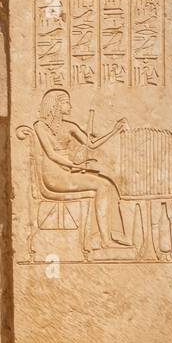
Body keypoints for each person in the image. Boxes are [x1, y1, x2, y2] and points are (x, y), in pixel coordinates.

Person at [31, 88, 130, 253]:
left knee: (107, 184)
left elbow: (91, 144)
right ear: (56, 105)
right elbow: (52, 154)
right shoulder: (40, 126)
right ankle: (105, 240)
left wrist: (114, 130)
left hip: (68, 171)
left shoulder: (70, 126)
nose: (70, 106)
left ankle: (110, 235)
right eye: (66, 103)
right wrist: (74, 166)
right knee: (102, 185)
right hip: (55, 176)